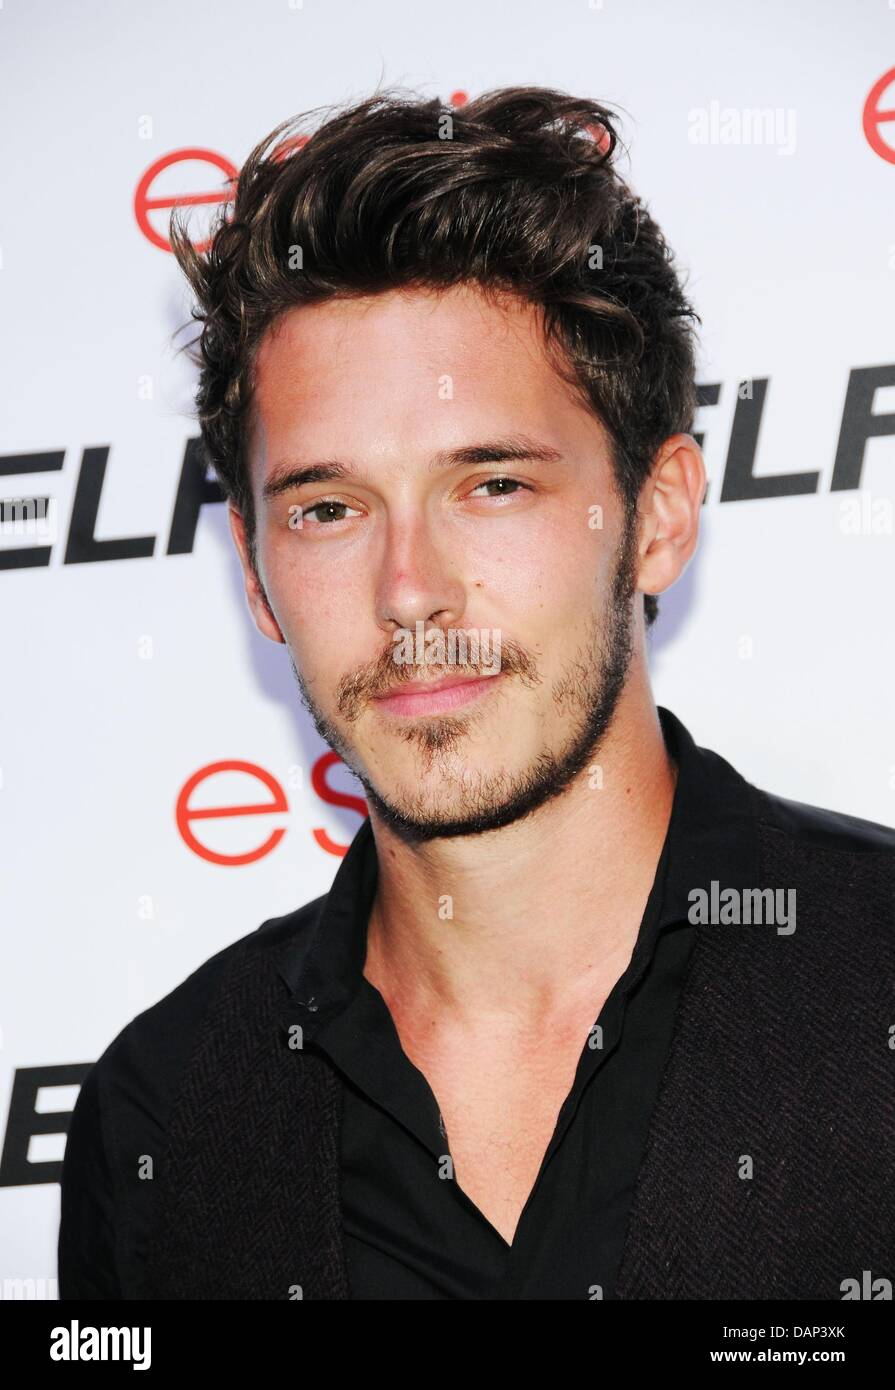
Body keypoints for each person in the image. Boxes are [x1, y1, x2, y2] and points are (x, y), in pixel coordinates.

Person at [58, 86, 894, 1300]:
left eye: (491, 485)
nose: (408, 591)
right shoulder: (166, 1120)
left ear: (656, 518)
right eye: (329, 509)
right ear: (254, 576)